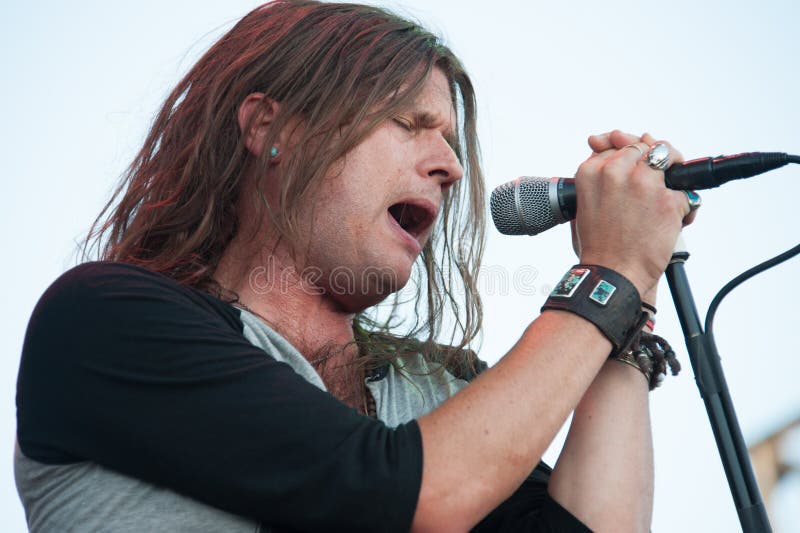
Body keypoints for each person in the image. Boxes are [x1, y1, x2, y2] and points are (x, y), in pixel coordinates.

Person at [15, 1, 698, 531]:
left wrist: (627, 289)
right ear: (270, 128)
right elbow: (406, 494)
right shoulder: (104, 322)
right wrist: (604, 272)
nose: (451, 167)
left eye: (452, 142)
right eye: (408, 123)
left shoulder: (430, 392)